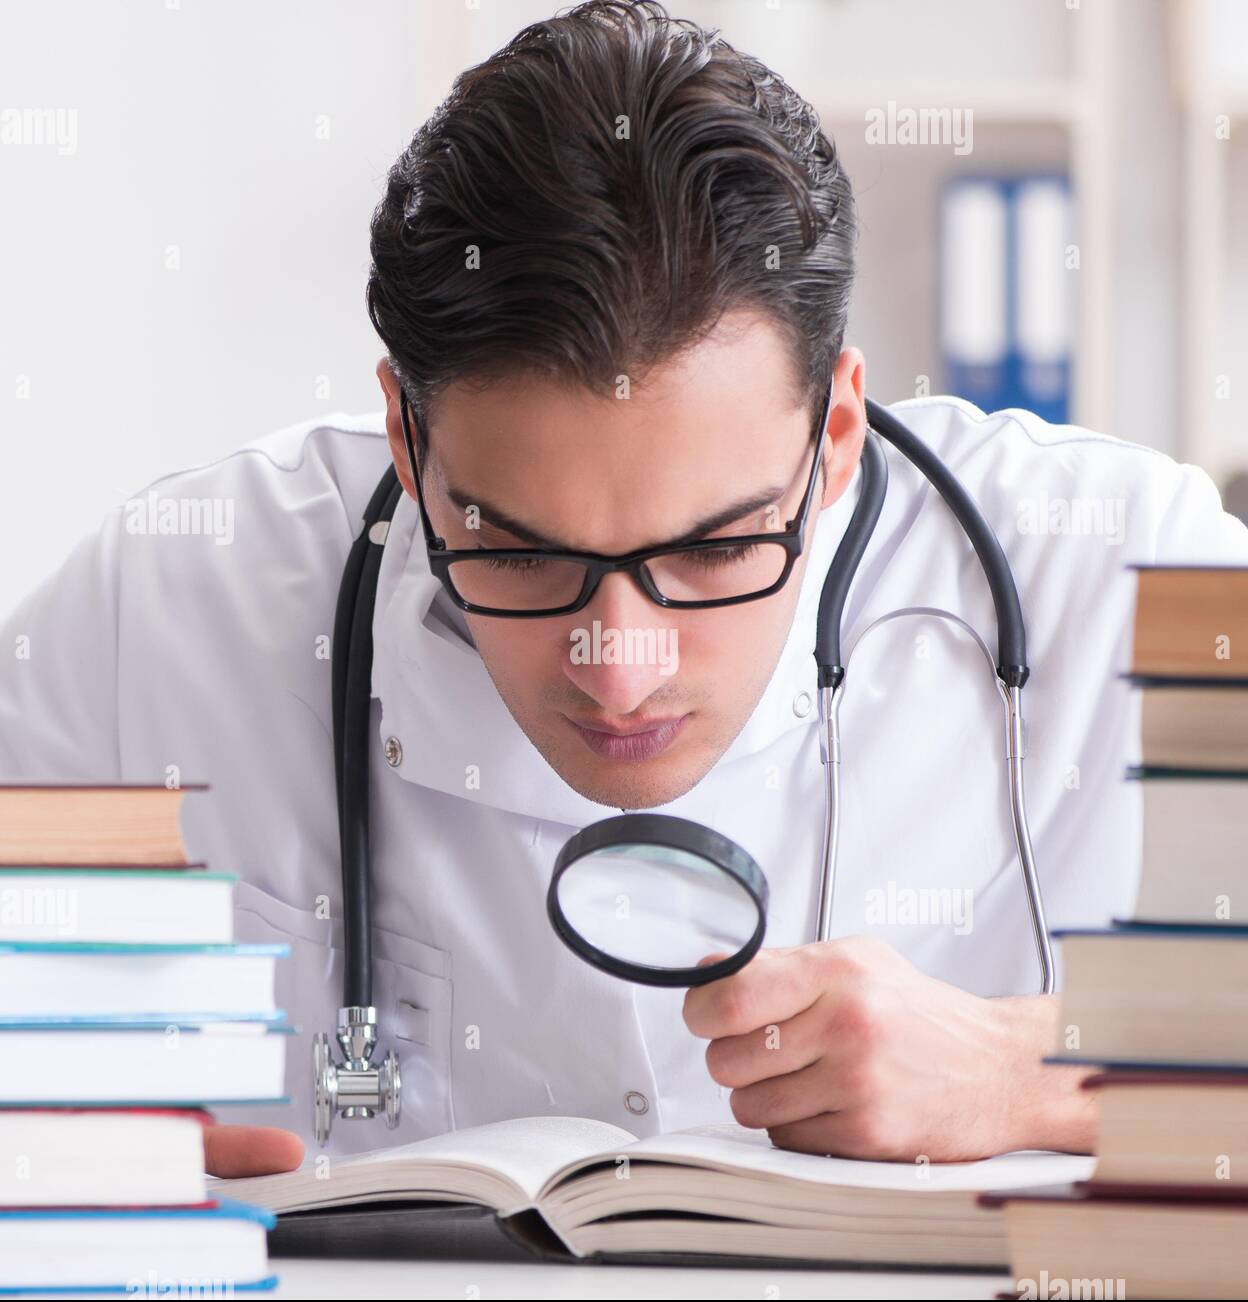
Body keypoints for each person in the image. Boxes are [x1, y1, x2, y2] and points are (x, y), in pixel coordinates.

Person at [2, 1, 1245, 1179]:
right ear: (404, 437)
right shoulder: (169, 603)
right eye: (522, 552)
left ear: (838, 434)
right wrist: (53, 1160)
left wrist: (1039, 1069)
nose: (620, 664)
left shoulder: (1122, 562)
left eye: (711, 551)